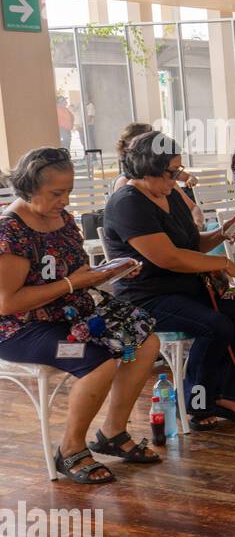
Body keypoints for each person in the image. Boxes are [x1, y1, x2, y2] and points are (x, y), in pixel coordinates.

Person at [0, 147, 161, 483]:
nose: (65, 201)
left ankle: (112, 432)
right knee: (94, 359)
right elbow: (8, 303)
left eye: (68, 192)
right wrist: (73, 282)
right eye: (56, 193)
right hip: (23, 331)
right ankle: (70, 449)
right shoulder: (10, 233)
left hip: (70, 314)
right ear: (29, 188)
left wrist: (110, 272)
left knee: (145, 342)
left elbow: (78, 272)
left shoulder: (61, 219)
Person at [105, 132, 235, 429]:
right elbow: (167, 257)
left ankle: (230, 394)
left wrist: (221, 234)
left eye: (178, 170)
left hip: (186, 287)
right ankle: (198, 402)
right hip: (146, 295)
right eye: (172, 172)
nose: (177, 177)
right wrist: (223, 263)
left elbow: (191, 245)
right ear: (148, 168)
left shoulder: (169, 195)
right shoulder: (127, 203)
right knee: (215, 324)